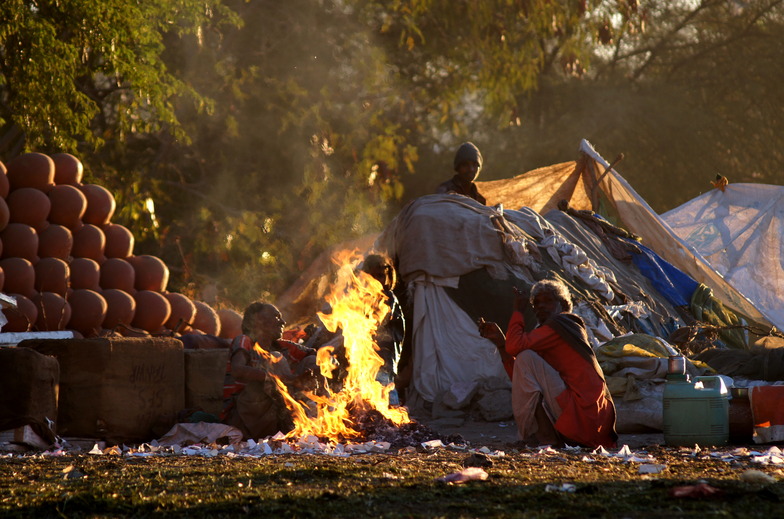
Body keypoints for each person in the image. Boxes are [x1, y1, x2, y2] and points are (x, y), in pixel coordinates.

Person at [479, 279, 617, 448]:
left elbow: (515, 347)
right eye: (536, 303)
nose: (541, 307)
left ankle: (546, 438)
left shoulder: (562, 323)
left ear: (564, 304)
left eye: (547, 301)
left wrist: (518, 311)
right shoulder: (550, 331)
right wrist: (501, 344)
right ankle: (548, 436)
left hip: (585, 417)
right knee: (526, 359)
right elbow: (522, 377)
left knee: (526, 356)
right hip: (584, 419)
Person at [222, 302, 320, 439]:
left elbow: (318, 356)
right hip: (244, 417)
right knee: (276, 358)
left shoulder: (283, 345)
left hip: (273, 414)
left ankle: (319, 418)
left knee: (314, 361)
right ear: (257, 320)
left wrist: (309, 375)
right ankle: (290, 422)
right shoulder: (245, 341)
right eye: (276, 317)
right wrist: (288, 379)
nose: (283, 322)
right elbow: (238, 370)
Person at [360, 254, 406, 405]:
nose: (376, 280)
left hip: (383, 355)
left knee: (385, 388)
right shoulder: (363, 297)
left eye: (380, 276)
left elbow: (380, 319)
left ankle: (394, 418)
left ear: (388, 277)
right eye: (372, 276)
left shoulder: (388, 298)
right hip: (368, 356)